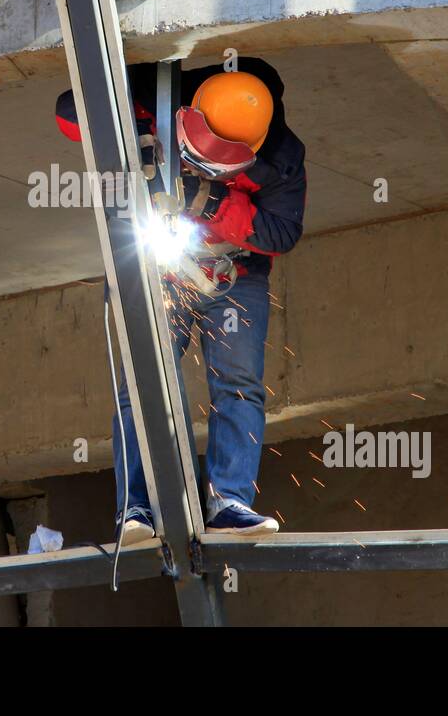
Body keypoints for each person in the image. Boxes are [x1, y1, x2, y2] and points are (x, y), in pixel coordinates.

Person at [55, 57, 307, 542]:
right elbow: (70, 108)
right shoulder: (157, 97)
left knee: (238, 385)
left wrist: (211, 201)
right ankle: (137, 510)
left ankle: (229, 501)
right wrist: (130, 137)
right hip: (152, 261)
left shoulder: (281, 154)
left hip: (234, 272)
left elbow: (282, 231)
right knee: (141, 387)